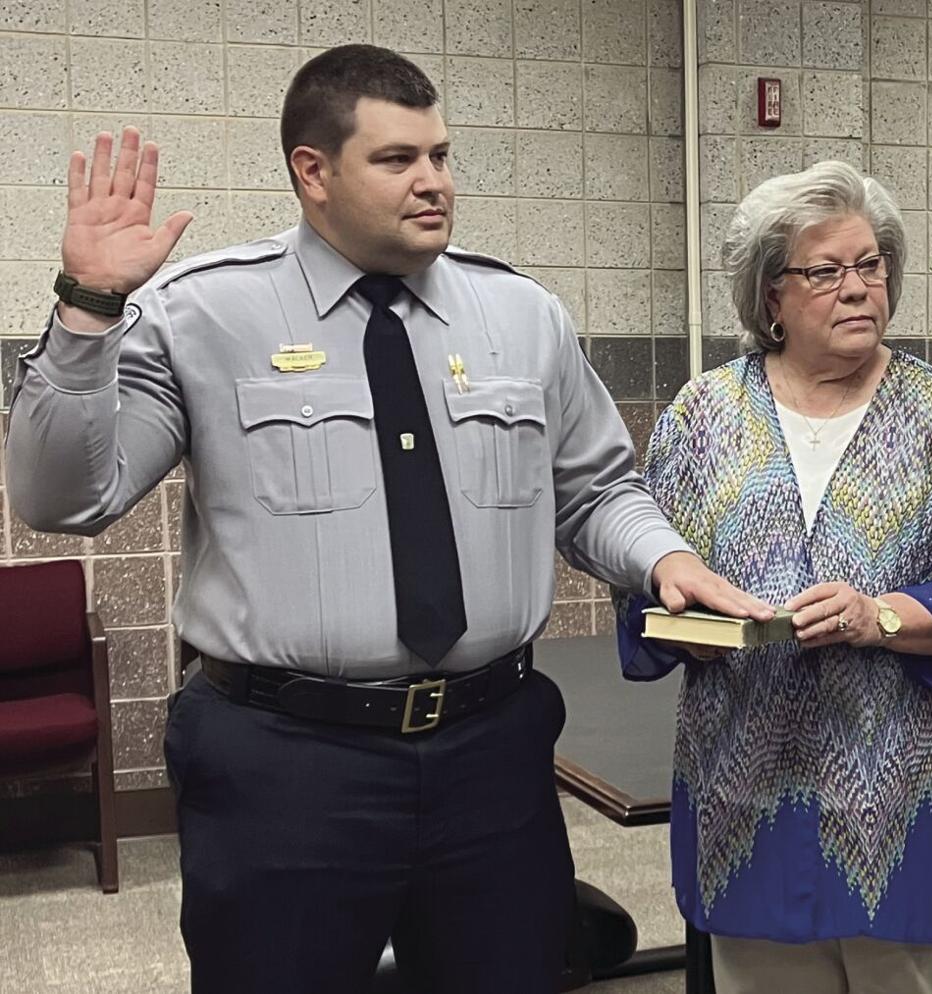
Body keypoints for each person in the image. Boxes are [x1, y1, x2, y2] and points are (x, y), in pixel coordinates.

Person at [4, 45, 765, 994]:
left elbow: (598, 491)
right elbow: (64, 498)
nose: (434, 182)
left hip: (491, 755)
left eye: (441, 156)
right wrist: (87, 313)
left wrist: (663, 561)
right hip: (284, 766)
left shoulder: (522, 315)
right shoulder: (201, 314)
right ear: (311, 173)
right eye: (398, 160)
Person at [613, 160, 932, 994]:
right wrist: (691, 618)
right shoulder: (702, 417)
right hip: (746, 795)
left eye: (870, 266)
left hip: (899, 803)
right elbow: (647, 582)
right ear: (771, 294)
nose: (857, 288)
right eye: (827, 271)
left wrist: (878, 616)